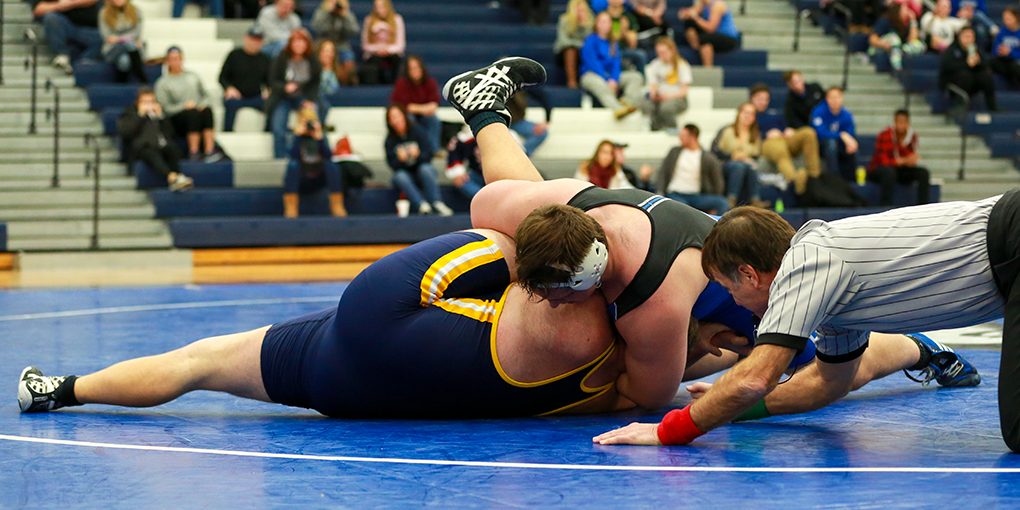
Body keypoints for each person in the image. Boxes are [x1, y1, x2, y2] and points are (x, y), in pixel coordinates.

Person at [441, 57, 980, 412]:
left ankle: (917, 348)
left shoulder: (654, 307)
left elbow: (644, 398)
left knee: (826, 363)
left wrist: (523, 388)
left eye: (563, 295)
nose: (555, 306)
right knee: (509, 189)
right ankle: (484, 103)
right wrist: (487, 122)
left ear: (593, 278)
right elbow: (501, 189)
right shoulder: (536, 204)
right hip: (695, 256)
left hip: (745, 298)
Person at [18, 228, 636, 419]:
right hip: (355, 397)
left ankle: (59, 391)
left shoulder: (578, 312)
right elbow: (693, 369)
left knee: (196, 362)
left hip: (359, 333)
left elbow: (518, 210)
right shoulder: (619, 375)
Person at [593, 195, 1012, 448]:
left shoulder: (806, 264)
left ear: (750, 275)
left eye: (730, 288)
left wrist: (668, 431)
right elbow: (831, 381)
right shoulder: (831, 300)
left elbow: (754, 378)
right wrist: (735, 410)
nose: (734, 301)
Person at [117, 88, 194, 192]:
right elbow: (127, 132)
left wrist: (160, 117)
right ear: (138, 102)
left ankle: (177, 177)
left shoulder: (159, 115)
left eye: (152, 102)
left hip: (161, 146)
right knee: (151, 153)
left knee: (172, 149)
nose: (149, 105)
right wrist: (140, 116)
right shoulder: (130, 113)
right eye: (145, 102)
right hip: (142, 147)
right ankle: (172, 178)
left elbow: (170, 133)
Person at [154, 47, 222, 162]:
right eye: (172, 59)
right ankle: (194, 152)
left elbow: (205, 95)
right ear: (167, 61)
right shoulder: (163, 83)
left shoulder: (193, 76)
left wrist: (202, 104)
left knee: (207, 111)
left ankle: (209, 150)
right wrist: (183, 106)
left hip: (195, 110)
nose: (176, 62)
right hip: (176, 118)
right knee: (192, 114)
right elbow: (165, 108)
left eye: (178, 58)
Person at [752, 82, 820, 196]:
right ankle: (794, 180)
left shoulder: (775, 113)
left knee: (809, 133)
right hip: (768, 143)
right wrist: (765, 134)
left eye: (766, 99)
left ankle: (814, 177)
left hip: (784, 139)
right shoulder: (751, 115)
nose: (763, 102)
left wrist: (789, 130)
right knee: (779, 148)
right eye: (759, 99)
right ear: (752, 98)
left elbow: (786, 126)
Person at [385, 104, 453, 217]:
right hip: (406, 174)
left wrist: (418, 155)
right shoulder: (389, 140)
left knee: (425, 169)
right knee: (400, 176)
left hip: (422, 169)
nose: (396, 120)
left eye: (397, 116)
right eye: (392, 118)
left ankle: (437, 203)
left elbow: (429, 155)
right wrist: (401, 160)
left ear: (404, 116)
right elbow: (392, 165)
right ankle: (422, 205)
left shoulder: (418, 131)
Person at [282, 105, 347, 218]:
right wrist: (298, 136)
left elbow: (329, 156)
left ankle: (337, 205)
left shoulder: (320, 136)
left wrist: (320, 139)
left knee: (332, 166)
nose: (308, 125)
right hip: (301, 177)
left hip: (319, 176)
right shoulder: (295, 136)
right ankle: (291, 207)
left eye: (311, 121)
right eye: (305, 121)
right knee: (292, 165)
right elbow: (292, 156)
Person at [580, 12, 645, 120]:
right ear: (597, 24)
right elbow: (592, 63)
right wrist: (607, 79)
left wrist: (614, 79)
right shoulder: (590, 41)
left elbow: (616, 63)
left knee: (636, 77)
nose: (606, 25)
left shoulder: (613, 42)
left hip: (611, 76)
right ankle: (617, 109)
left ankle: (627, 102)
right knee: (600, 85)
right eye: (603, 21)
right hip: (591, 75)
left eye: (608, 22)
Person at [268, 29, 321, 159]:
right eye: (296, 42)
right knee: (279, 129)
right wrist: (285, 87)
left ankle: (309, 157)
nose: (299, 45)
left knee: (312, 123)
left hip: (302, 96)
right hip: (283, 97)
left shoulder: (312, 60)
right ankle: (280, 159)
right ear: (291, 44)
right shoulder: (282, 58)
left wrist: (310, 99)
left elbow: (315, 83)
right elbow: (272, 80)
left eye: (302, 42)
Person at [655, 124, 728, 213]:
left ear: (692, 137)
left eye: (683, 136)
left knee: (722, 203)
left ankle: (718, 225)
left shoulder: (707, 158)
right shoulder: (674, 152)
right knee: (683, 208)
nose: (680, 138)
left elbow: (717, 181)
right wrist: (660, 191)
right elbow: (663, 172)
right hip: (676, 194)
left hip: (697, 196)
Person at [867, 109, 931, 206]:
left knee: (923, 173)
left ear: (908, 123)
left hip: (900, 170)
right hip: (880, 169)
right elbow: (883, 161)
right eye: (899, 122)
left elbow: (910, 158)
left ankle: (923, 207)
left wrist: (911, 160)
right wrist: (899, 161)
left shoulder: (912, 136)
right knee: (889, 173)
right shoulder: (885, 135)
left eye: (904, 122)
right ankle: (886, 207)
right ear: (895, 123)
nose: (902, 125)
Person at [219, 27, 271, 132]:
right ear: (246, 39)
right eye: (253, 39)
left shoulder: (265, 59)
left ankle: (268, 132)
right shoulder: (234, 55)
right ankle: (227, 133)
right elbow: (222, 77)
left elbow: (269, 80)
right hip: (236, 96)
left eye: (258, 40)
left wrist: (269, 91)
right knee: (231, 103)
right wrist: (229, 88)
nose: (255, 43)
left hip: (256, 96)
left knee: (272, 103)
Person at [715, 103, 766, 209]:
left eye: (751, 114)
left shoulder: (755, 135)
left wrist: (747, 159)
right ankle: (731, 198)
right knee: (738, 166)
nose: (748, 116)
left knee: (751, 166)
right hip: (727, 163)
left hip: (746, 164)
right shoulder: (727, 130)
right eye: (745, 113)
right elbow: (716, 151)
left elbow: (757, 155)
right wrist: (732, 156)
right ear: (739, 113)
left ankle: (755, 199)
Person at [390, 56, 443, 153]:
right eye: (411, 68)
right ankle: (417, 149)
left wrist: (421, 108)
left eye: (417, 67)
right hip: (408, 115)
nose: (415, 71)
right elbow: (402, 106)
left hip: (425, 115)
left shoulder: (430, 82)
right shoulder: (401, 84)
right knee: (410, 120)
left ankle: (434, 150)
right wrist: (423, 108)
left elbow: (434, 103)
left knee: (434, 120)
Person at [32, 0, 102, 73]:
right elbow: (38, 10)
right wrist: (59, 6)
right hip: (64, 26)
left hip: (90, 28)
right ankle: (62, 55)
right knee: (51, 18)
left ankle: (81, 64)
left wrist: (71, 3)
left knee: (107, 38)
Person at [939, 25, 998, 111]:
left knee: (986, 77)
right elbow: (948, 66)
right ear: (960, 37)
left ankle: (992, 107)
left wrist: (979, 62)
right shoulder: (952, 50)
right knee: (965, 76)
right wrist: (966, 64)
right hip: (955, 81)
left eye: (971, 37)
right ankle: (959, 106)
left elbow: (986, 64)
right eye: (966, 36)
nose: (969, 39)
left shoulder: (976, 49)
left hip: (973, 81)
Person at [641, 36, 691, 131]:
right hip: (660, 97)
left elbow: (684, 91)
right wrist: (654, 94)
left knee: (666, 108)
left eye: (664, 53)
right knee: (647, 104)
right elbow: (653, 86)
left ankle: (672, 130)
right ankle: (653, 130)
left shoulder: (682, 65)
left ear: (672, 51)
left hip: (676, 98)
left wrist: (669, 96)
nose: (661, 55)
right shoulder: (654, 65)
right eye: (659, 53)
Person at [811, 86, 858, 182]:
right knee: (831, 144)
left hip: (839, 145)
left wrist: (849, 142)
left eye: (837, 97)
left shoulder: (846, 115)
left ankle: (851, 182)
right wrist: (840, 135)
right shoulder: (818, 111)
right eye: (832, 97)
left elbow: (850, 134)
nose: (835, 100)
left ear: (842, 98)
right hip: (819, 145)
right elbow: (820, 133)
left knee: (852, 146)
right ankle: (833, 180)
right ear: (827, 99)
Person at [98, 0, 148, 84]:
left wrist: (119, 38)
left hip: (130, 46)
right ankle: (142, 78)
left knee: (124, 61)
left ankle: (121, 85)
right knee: (130, 44)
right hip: (113, 49)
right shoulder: (104, 12)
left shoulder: (136, 11)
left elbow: (137, 32)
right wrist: (125, 39)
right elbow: (107, 36)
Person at [678, 0, 740, 68]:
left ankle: (708, 68)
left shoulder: (717, 5)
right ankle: (696, 49)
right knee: (689, 24)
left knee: (704, 39)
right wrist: (686, 13)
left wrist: (696, 18)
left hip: (728, 37)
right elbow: (690, 12)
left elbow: (711, 28)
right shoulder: (703, 4)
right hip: (714, 35)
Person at [311, 0, 359, 85]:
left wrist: (346, 15)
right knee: (323, 53)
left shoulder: (346, 14)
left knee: (348, 57)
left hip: (341, 44)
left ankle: (346, 81)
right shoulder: (322, 12)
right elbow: (316, 27)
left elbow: (354, 30)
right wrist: (326, 13)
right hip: (324, 42)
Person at [868, 2, 926, 71]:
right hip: (881, 48)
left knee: (920, 45)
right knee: (894, 38)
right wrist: (885, 44)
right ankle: (897, 69)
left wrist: (913, 21)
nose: (908, 12)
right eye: (905, 10)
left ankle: (898, 52)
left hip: (899, 49)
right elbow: (872, 39)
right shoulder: (885, 21)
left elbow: (912, 40)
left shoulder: (907, 24)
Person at [359, 0, 405, 85]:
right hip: (374, 54)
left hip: (392, 53)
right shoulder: (369, 20)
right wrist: (377, 49)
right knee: (374, 62)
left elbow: (400, 45)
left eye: (383, 6)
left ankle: (396, 85)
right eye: (377, 7)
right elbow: (365, 45)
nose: (380, 10)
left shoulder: (397, 20)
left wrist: (387, 50)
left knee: (397, 61)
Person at [554, 0, 595, 89]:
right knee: (570, 50)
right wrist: (580, 45)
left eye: (582, 10)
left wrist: (584, 26)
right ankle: (572, 82)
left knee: (590, 51)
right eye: (578, 10)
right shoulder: (564, 20)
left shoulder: (590, 22)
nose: (580, 13)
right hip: (565, 52)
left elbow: (591, 41)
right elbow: (564, 41)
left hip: (584, 51)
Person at [604, 0, 647, 73]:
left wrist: (625, 32)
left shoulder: (628, 18)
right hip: (605, 49)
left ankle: (642, 79)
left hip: (623, 49)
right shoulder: (603, 17)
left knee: (640, 55)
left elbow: (633, 45)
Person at [506, 89, 552, 157]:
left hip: (518, 122)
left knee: (541, 133)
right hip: (497, 122)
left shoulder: (522, 86)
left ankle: (521, 156)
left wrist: (547, 120)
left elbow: (543, 97)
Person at [445, 126, 485, 199]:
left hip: (498, 174)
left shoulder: (504, 136)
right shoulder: (466, 138)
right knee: (460, 179)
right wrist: (457, 172)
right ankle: (486, 200)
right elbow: (454, 153)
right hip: (476, 173)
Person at [991, 7, 1020, 87]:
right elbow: (995, 49)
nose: (1006, 21)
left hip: (1016, 61)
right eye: (1004, 18)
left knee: (1015, 67)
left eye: (1008, 18)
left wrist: (1010, 52)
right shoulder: (1002, 32)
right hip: (1004, 60)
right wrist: (1000, 51)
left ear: (1016, 18)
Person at [317, 39, 343, 120]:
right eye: (325, 51)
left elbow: (331, 90)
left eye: (331, 51)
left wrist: (327, 70)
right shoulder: (312, 68)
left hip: (325, 102)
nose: (329, 54)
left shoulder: (335, 71)